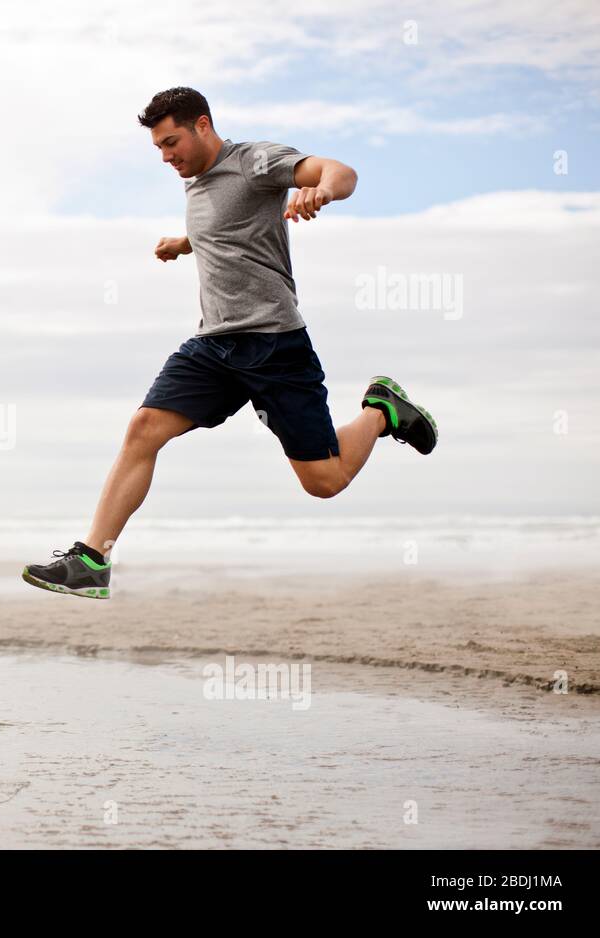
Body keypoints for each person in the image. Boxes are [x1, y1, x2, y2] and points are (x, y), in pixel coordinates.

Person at [22, 86, 437, 600]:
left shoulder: (254, 162)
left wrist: (322, 190)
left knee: (324, 482)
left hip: (275, 345)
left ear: (202, 125)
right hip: (213, 345)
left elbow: (341, 172)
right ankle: (92, 560)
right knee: (143, 429)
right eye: (158, 148)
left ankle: (381, 410)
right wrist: (186, 242)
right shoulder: (195, 182)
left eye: (171, 142)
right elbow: (230, 223)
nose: (166, 156)